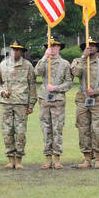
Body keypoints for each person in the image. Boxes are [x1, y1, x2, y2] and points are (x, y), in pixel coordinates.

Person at [70, 36, 99, 168]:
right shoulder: (78, 61)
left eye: (93, 46)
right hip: (82, 101)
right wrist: (84, 57)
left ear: (97, 48)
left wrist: (96, 91)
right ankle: (86, 158)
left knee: (98, 129)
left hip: (98, 101)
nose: (90, 48)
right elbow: (75, 73)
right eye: (87, 46)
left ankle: (98, 159)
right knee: (83, 129)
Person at [0, 41, 36, 169]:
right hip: (6, 104)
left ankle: (19, 160)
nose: (15, 52)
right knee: (7, 132)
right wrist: (1, 91)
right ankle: (10, 159)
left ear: (22, 52)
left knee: (20, 132)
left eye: (18, 50)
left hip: (21, 104)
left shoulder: (27, 66)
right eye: (13, 49)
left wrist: (31, 104)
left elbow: (32, 86)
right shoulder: (3, 64)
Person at [34, 35, 71, 169]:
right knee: (46, 129)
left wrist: (56, 88)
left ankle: (57, 158)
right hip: (44, 100)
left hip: (58, 101)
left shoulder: (65, 64)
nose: (53, 49)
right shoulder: (45, 62)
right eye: (50, 46)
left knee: (57, 129)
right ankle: (48, 158)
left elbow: (69, 83)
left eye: (55, 46)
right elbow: (36, 72)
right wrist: (44, 57)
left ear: (59, 47)